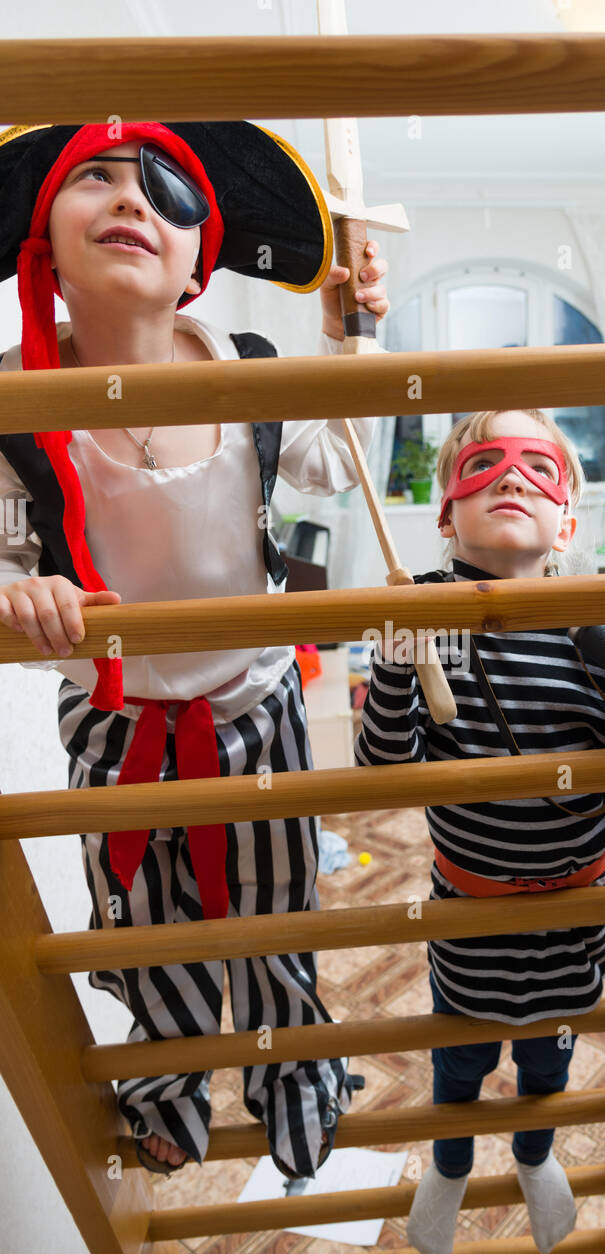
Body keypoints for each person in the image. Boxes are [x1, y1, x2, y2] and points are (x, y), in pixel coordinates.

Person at [0, 120, 390, 1179]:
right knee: (141, 927)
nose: (131, 200)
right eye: (97, 180)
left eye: (163, 189)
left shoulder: (246, 370)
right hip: (112, 725)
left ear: (199, 255)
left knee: (277, 913)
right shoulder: (11, 399)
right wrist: (17, 586)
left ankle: (291, 1071)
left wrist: (356, 345)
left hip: (252, 708)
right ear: (42, 240)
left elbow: (339, 463)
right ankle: (163, 1082)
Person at [354, 407, 605, 1254]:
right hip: (470, 913)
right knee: (460, 1058)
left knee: (551, 1053)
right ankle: (450, 1167)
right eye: (483, 465)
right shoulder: (426, 618)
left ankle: (538, 1156)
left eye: (538, 467)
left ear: (567, 520)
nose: (510, 479)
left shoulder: (600, 633)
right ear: (446, 517)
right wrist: (396, 664)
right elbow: (383, 764)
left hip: (578, 910)